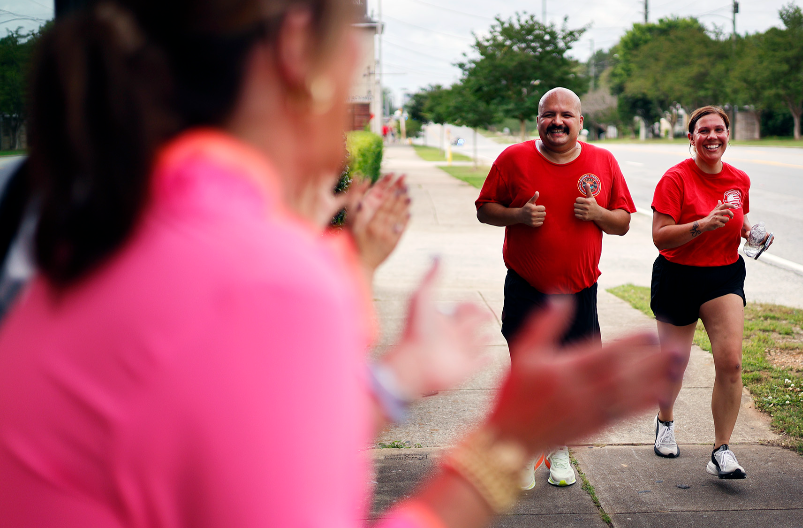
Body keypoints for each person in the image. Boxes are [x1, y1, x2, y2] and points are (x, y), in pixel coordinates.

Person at [0, 2, 680, 527]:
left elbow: (241, 442)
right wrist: (504, 446)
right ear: (299, 53)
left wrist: (392, 379)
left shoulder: (104, 215)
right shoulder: (266, 276)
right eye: (353, 46)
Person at [475, 87, 637, 490]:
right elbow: (484, 209)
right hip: (527, 287)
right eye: (549, 115)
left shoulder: (603, 161)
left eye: (566, 115)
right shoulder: (513, 158)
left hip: (580, 291)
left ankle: (558, 448)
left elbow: (623, 222)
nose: (557, 121)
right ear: (538, 121)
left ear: (580, 122)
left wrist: (599, 213)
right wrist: (518, 215)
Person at [649, 105, 761, 479]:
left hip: (723, 277)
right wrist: (703, 224)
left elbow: (739, 219)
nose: (712, 136)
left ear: (728, 135)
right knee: (674, 363)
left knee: (731, 362)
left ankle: (721, 450)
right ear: (691, 138)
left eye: (719, 130)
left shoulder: (739, 179)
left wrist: (752, 233)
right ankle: (665, 421)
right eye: (704, 131)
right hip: (677, 276)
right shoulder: (675, 178)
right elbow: (660, 236)